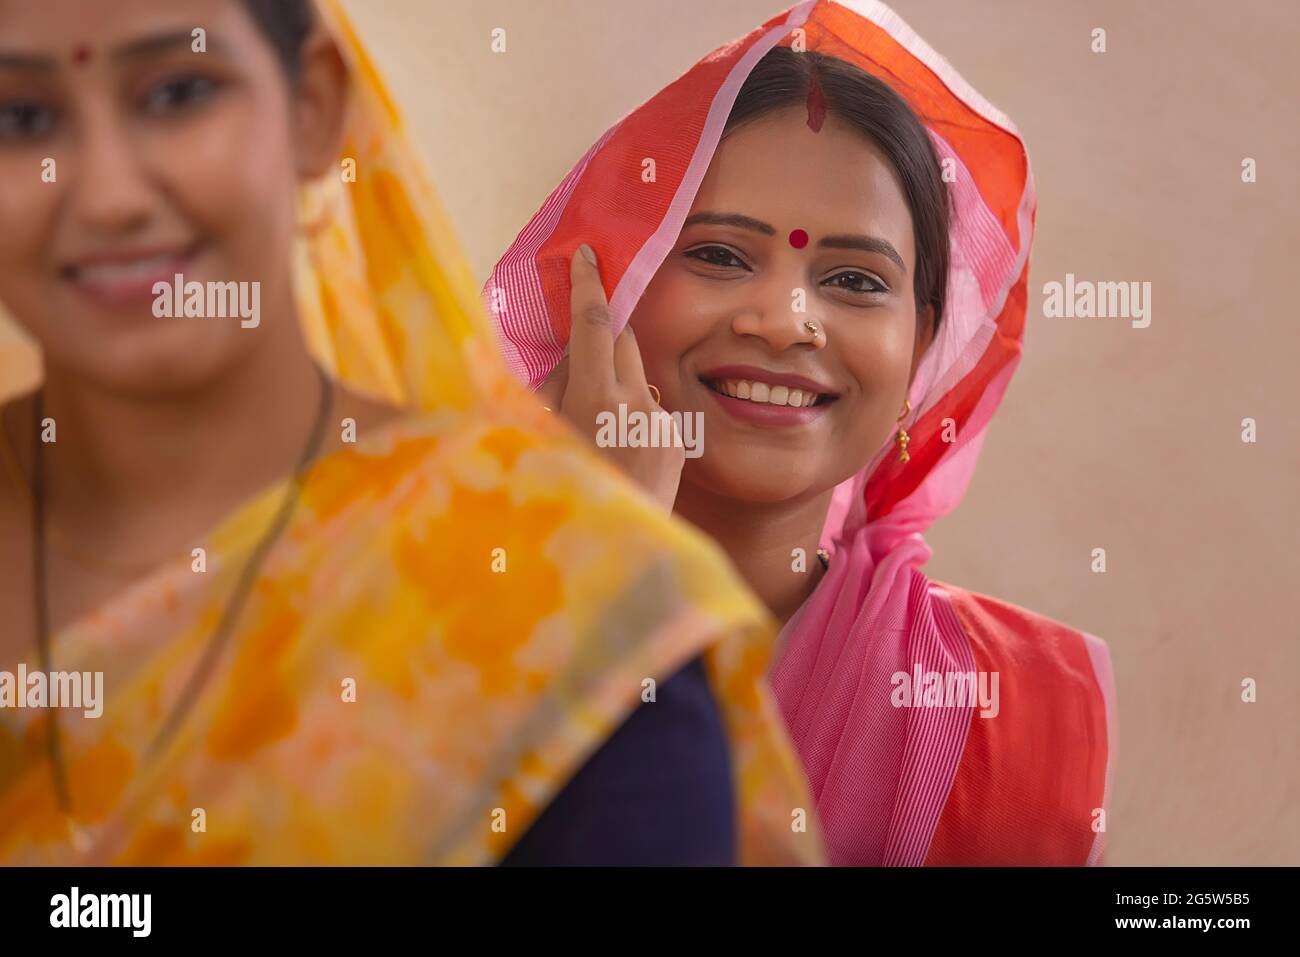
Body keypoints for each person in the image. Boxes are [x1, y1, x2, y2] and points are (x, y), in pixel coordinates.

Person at [0, 0, 822, 866]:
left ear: (313, 104)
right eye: (19, 116)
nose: (106, 195)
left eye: (176, 94)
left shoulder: (569, 609)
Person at [488, 0, 1116, 865]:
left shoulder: (1013, 707)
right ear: (610, 292)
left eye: (855, 278)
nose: (787, 324)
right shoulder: (431, 626)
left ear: (923, 349)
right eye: (719, 255)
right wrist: (601, 570)